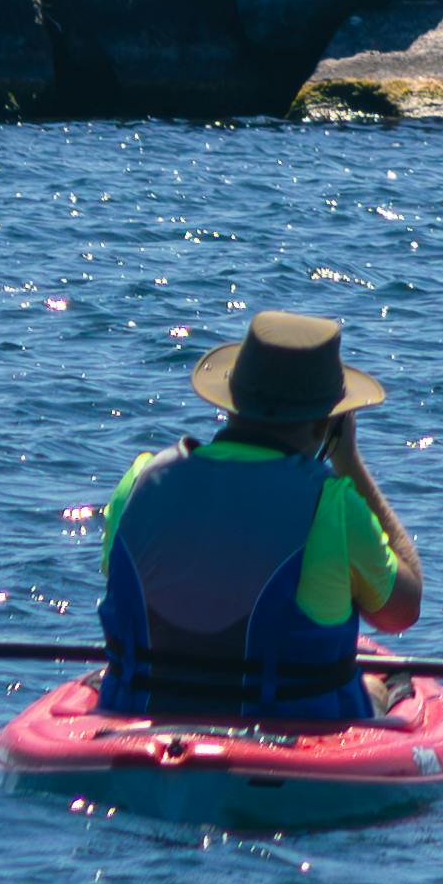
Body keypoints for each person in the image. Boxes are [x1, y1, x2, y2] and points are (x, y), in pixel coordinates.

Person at [96, 307, 423, 728]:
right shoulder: (333, 503)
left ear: (231, 401)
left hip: (136, 713)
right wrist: (348, 459)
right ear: (328, 422)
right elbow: (401, 612)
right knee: (385, 684)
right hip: (286, 728)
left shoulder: (139, 481)